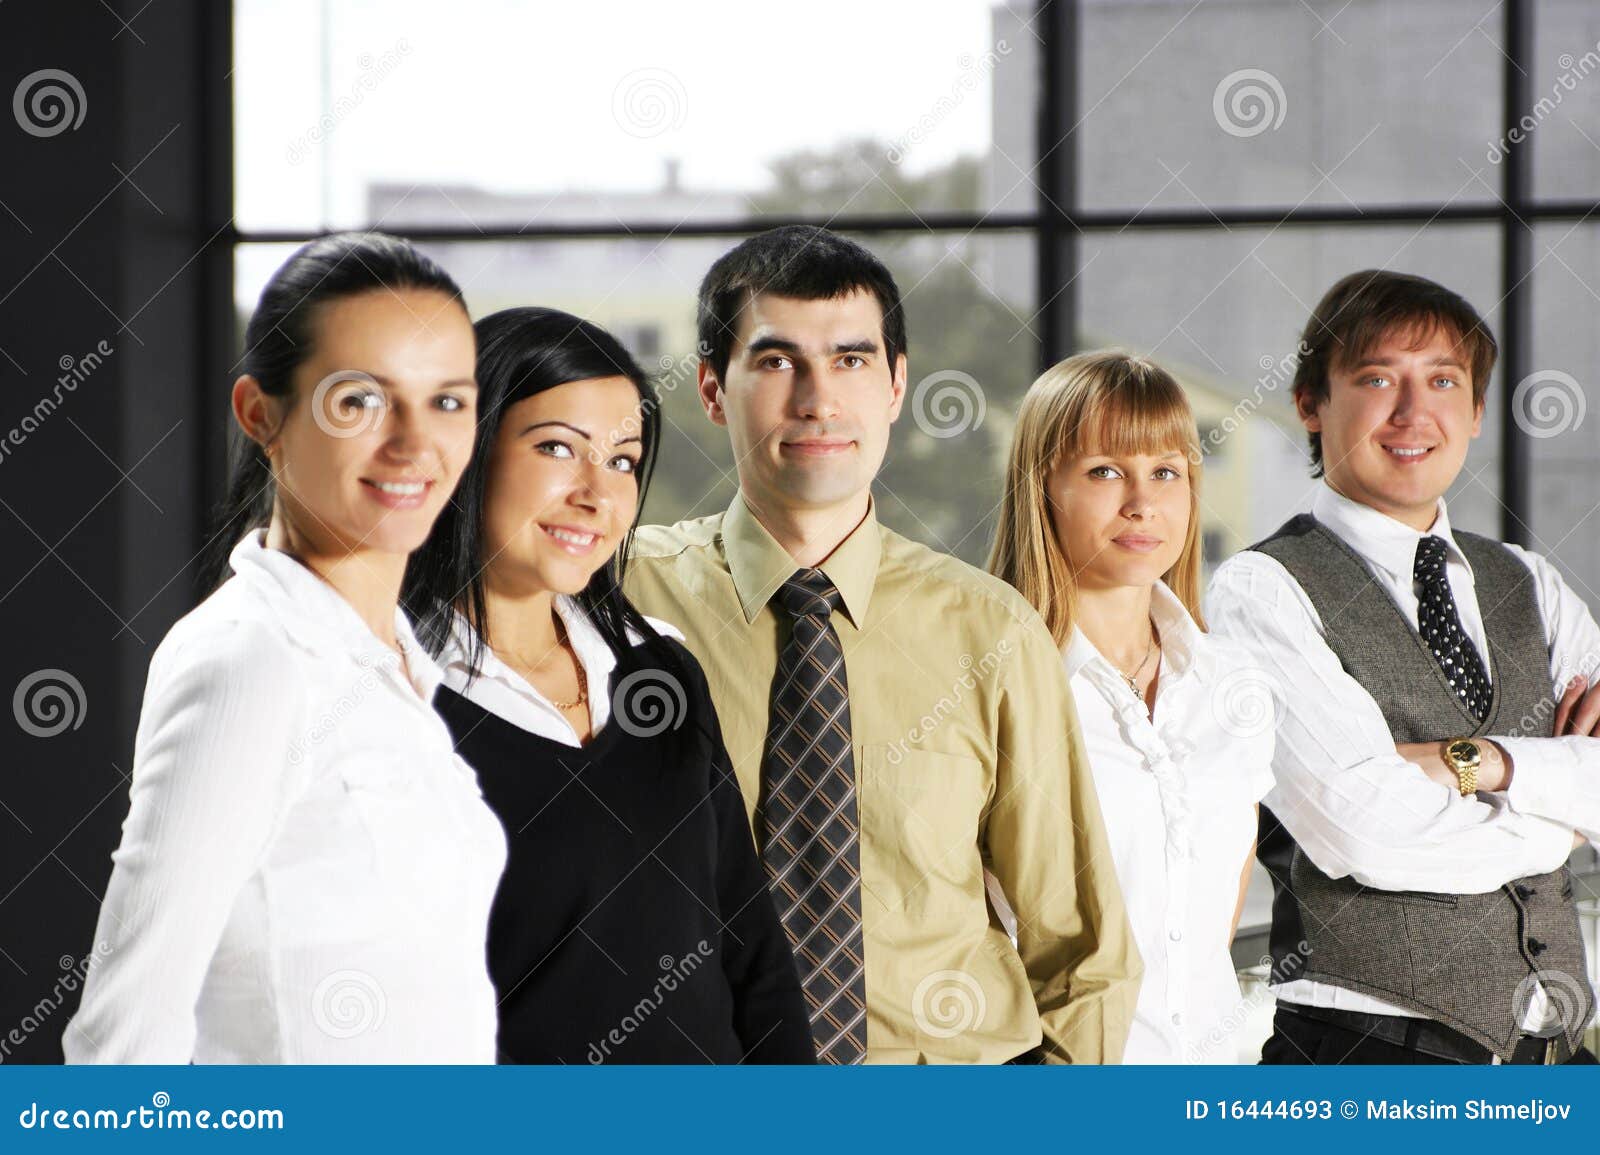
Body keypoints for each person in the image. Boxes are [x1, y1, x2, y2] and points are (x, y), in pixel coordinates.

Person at [623, 225, 1141, 1064]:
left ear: (898, 385)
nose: (818, 399)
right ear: (714, 390)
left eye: (853, 360)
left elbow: (1083, 949)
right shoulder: (621, 602)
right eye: (777, 360)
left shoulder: (991, 631)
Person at [64, 232, 507, 1063]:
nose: (415, 444)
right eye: (358, 401)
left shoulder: (401, 662)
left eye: (447, 400)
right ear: (260, 414)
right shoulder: (251, 662)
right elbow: (121, 1041)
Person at [1206, 269, 1599, 1064]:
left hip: (1555, 1054)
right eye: (1378, 378)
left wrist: (1481, 762)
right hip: (1368, 1056)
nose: (1413, 413)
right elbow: (1362, 832)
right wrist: (1560, 820)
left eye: (1444, 382)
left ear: (1478, 410)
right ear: (1310, 404)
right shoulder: (1261, 589)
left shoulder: (1529, 580)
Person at [404, 307, 814, 1064]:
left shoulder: (660, 672)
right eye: (558, 448)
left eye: (623, 459)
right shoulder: (391, 699)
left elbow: (751, 948)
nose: (598, 493)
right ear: (463, 450)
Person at [988, 350, 1272, 1063]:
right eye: (1105, 470)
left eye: (1166, 472)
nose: (1142, 502)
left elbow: (1213, 927)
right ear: (1041, 487)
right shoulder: (994, 683)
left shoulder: (1232, 685)